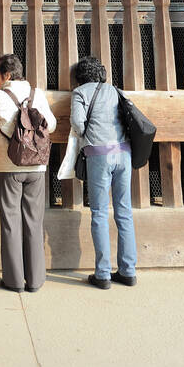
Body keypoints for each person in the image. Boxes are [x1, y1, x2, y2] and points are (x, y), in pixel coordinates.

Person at [0, 53, 56, 292]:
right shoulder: (37, 94)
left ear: (7, 75)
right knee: (34, 221)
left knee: (11, 222)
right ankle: (36, 280)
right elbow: (51, 125)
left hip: (9, 167)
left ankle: (13, 281)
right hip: (37, 167)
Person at [70, 55, 137, 289]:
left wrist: (87, 136)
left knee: (99, 213)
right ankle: (128, 271)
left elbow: (77, 123)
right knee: (124, 211)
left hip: (99, 154)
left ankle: (103, 274)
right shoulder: (116, 91)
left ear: (79, 76)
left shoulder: (80, 93)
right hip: (124, 153)